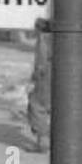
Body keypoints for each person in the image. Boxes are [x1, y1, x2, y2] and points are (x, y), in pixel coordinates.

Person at [27, 24, 52, 153]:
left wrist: (35, 75)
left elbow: (41, 60)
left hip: (47, 74)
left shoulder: (44, 38)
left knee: (37, 105)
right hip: (67, 74)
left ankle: (42, 141)